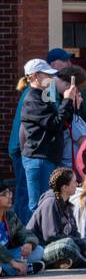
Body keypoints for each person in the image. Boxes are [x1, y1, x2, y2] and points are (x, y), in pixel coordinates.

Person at [20, 59, 80, 210]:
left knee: (49, 204)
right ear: (35, 76)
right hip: (39, 157)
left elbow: (62, 124)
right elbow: (54, 124)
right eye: (47, 75)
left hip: (47, 157)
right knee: (40, 205)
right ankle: (35, 227)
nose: (51, 78)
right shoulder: (33, 99)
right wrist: (67, 100)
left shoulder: (44, 95)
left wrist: (70, 103)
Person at [26, 167, 86, 269]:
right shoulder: (50, 202)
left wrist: (83, 244)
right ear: (64, 187)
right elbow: (51, 237)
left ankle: (70, 261)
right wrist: (80, 244)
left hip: (67, 244)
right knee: (68, 245)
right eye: (74, 182)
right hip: (42, 248)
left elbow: (75, 233)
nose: (77, 184)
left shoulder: (67, 204)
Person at [0, 180, 45, 276]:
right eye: (5, 194)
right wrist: (13, 262)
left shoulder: (10, 216)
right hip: (5, 258)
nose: (10, 196)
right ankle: (22, 268)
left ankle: (8, 270)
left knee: (38, 250)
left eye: (10, 193)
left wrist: (29, 243)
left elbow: (25, 232)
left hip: (7, 257)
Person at [8, 72, 32, 224]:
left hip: (21, 149)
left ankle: (19, 227)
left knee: (23, 191)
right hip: (22, 150)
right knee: (24, 192)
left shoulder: (30, 92)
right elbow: (24, 126)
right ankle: (20, 228)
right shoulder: (32, 94)